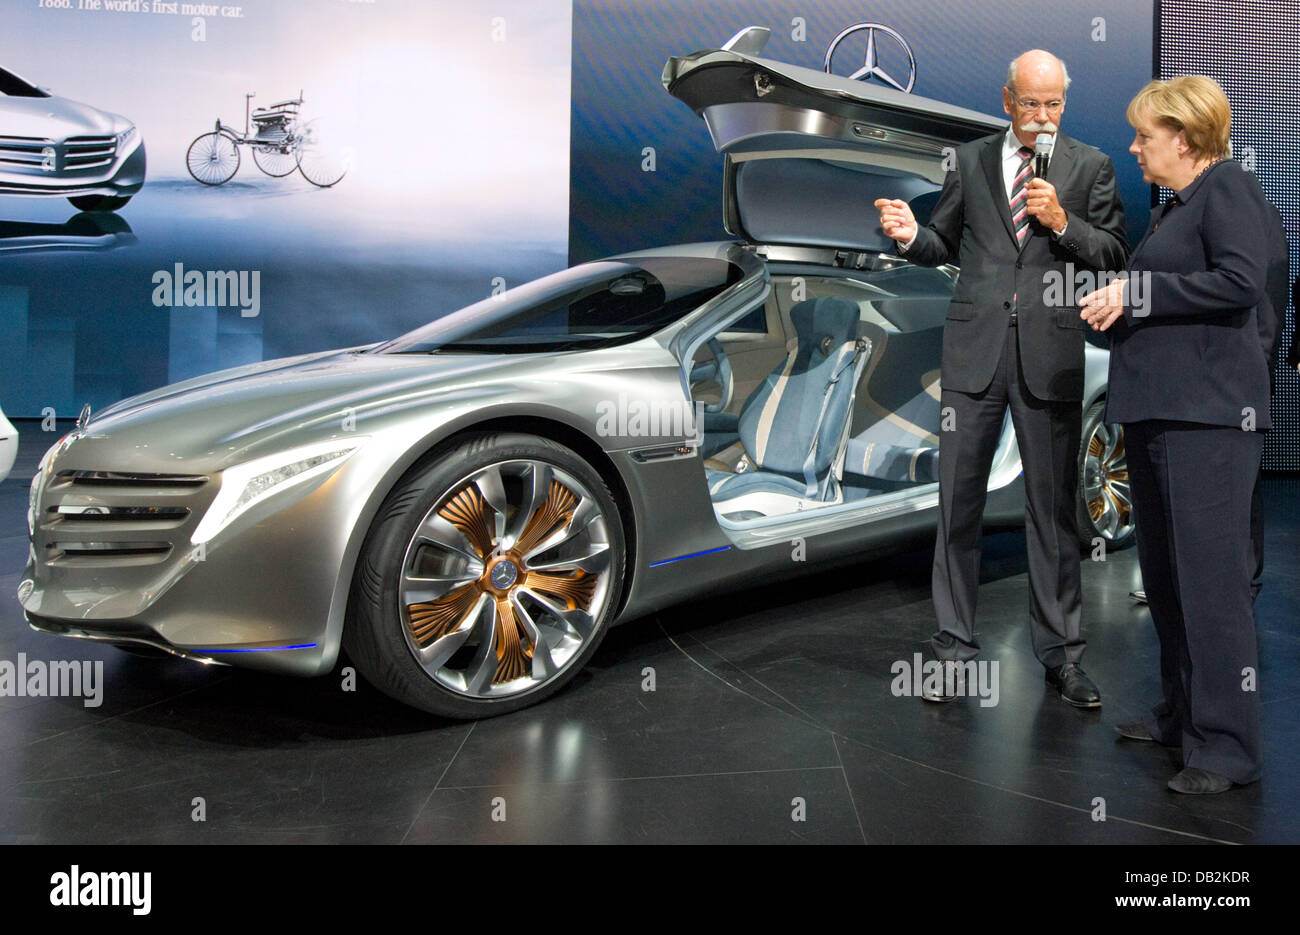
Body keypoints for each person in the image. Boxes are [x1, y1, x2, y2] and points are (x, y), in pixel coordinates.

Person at [874, 50, 1128, 705]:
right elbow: (942, 242)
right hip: (972, 359)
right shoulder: (969, 160)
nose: (1043, 117)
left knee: (1052, 518)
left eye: (1054, 104)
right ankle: (953, 648)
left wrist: (1061, 222)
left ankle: (1063, 657)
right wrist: (909, 236)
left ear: (1063, 104)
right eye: (1031, 103)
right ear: (1008, 100)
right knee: (958, 509)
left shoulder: (1090, 166)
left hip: (1050, 359)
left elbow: (1111, 254)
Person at [1079, 75, 1282, 793]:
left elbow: (1239, 280)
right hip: (1165, 416)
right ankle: (1184, 715)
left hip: (1208, 423)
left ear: (1186, 138)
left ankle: (1226, 747)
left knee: (1210, 589)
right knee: (1168, 582)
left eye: (1144, 135)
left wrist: (1135, 292)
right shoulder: (1178, 209)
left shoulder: (1227, 188)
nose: (1133, 147)